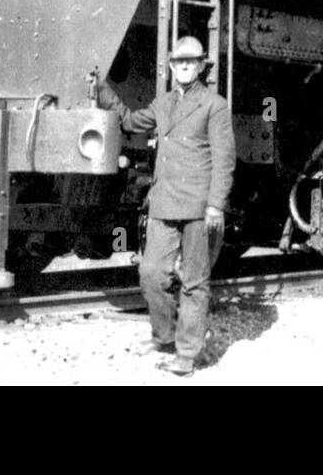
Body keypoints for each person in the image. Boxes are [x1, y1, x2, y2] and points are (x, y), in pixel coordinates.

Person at [97, 36, 236, 375]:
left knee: (194, 281)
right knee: (151, 274)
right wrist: (102, 90)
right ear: (172, 66)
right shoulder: (162, 104)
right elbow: (129, 121)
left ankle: (187, 354)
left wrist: (216, 205)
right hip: (163, 203)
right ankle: (164, 336)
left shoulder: (215, 105)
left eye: (191, 61)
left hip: (199, 207)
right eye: (179, 62)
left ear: (202, 65)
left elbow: (225, 160)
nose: (184, 66)